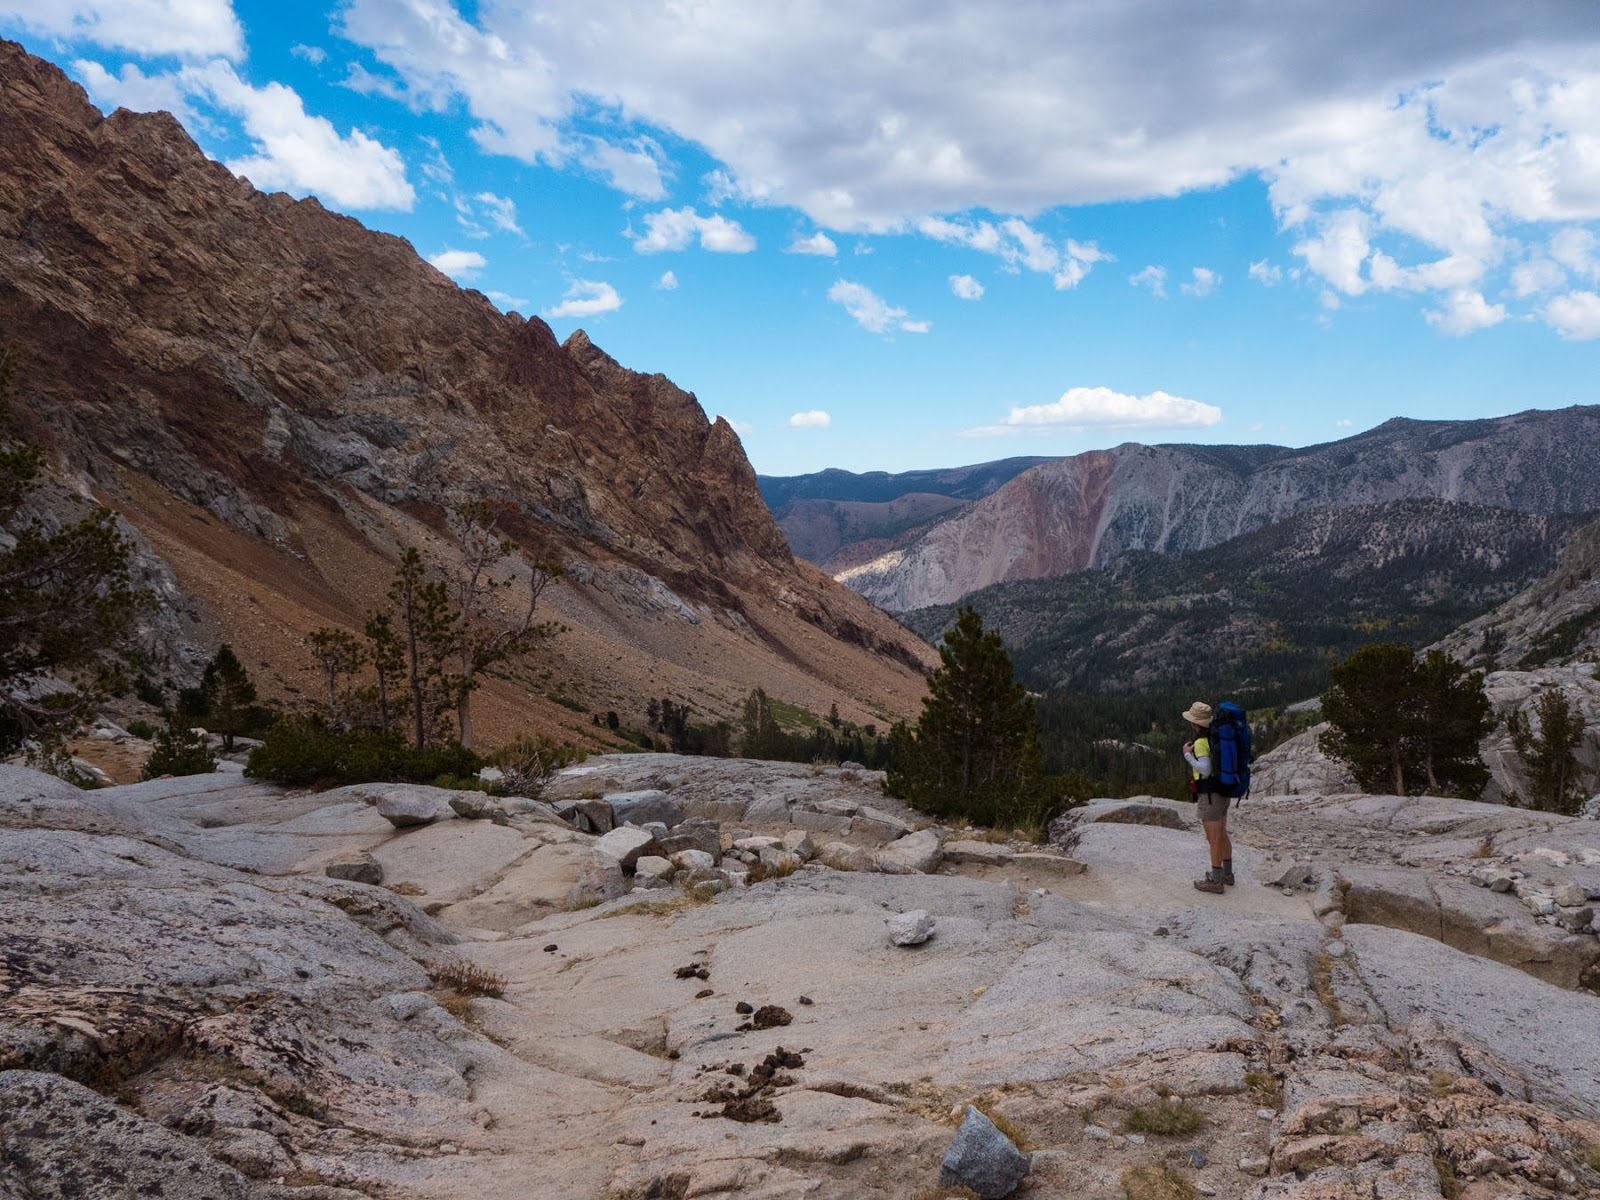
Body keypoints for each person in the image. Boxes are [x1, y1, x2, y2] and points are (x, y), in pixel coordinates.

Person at [1181, 701, 1233, 894]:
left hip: (1210, 795)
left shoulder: (1202, 743)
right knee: (1222, 834)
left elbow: (1205, 768)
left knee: (1213, 839)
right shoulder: (1216, 737)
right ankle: (1228, 874)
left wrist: (1188, 755)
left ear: (1195, 724)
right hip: (1224, 790)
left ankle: (1216, 881)